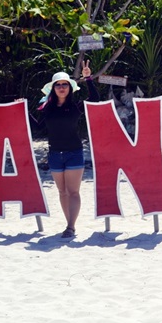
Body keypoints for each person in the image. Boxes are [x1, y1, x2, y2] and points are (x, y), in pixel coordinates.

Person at [36, 61, 98, 238]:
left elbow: (95, 99)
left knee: (73, 191)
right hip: (54, 154)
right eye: (58, 85)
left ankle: (71, 226)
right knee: (62, 192)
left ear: (70, 88)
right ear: (53, 88)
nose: (62, 87)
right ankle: (68, 222)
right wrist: (20, 108)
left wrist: (88, 78)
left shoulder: (76, 107)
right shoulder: (46, 108)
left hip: (74, 153)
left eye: (65, 84)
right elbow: (37, 126)